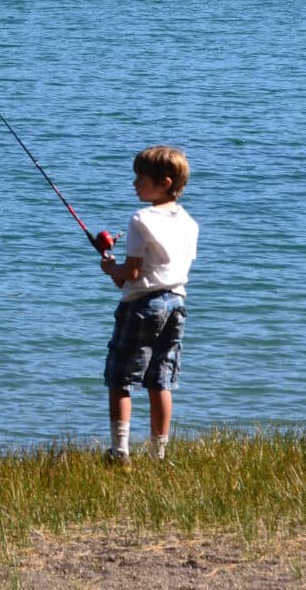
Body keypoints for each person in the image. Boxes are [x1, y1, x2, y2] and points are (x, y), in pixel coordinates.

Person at [99, 145, 198, 463]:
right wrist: (123, 276)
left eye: (140, 178)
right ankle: (159, 454)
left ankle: (121, 452)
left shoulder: (140, 219)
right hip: (176, 304)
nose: (134, 183)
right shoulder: (189, 223)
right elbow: (162, 271)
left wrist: (110, 268)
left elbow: (133, 273)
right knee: (161, 380)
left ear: (165, 182)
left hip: (142, 306)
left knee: (120, 379)